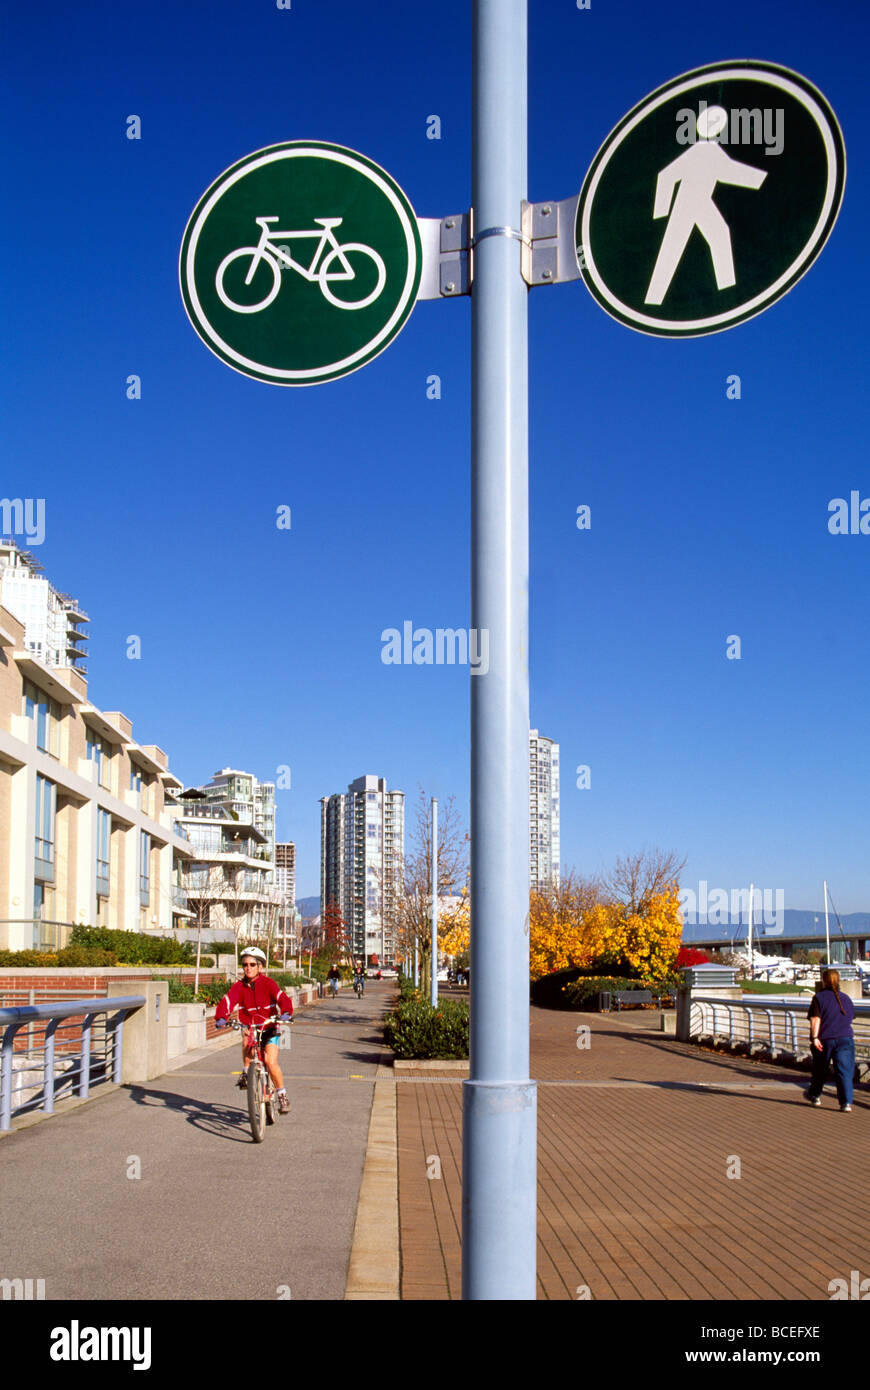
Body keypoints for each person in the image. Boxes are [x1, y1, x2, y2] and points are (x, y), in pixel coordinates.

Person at [215, 947, 293, 1114]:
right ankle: (246, 1072)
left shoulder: (268, 983)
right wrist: (221, 1017)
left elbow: (282, 998)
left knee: (270, 1062)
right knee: (246, 1039)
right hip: (251, 1027)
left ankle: (282, 1094)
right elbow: (228, 1002)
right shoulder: (239, 987)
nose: (248, 968)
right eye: (244, 965)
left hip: (270, 1027)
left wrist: (286, 1012)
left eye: (252, 964)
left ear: (260, 967)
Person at [806, 968, 855, 1112]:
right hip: (845, 1038)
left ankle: (815, 1095)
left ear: (824, 981)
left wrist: (814, 1037)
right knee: (844, 1071)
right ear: (838, 980)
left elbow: (815, 1019)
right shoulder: (846, 998)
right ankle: (846, 1102)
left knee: (820, 1069)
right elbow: (850, 1017)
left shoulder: (819, 998)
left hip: (825, 1038)